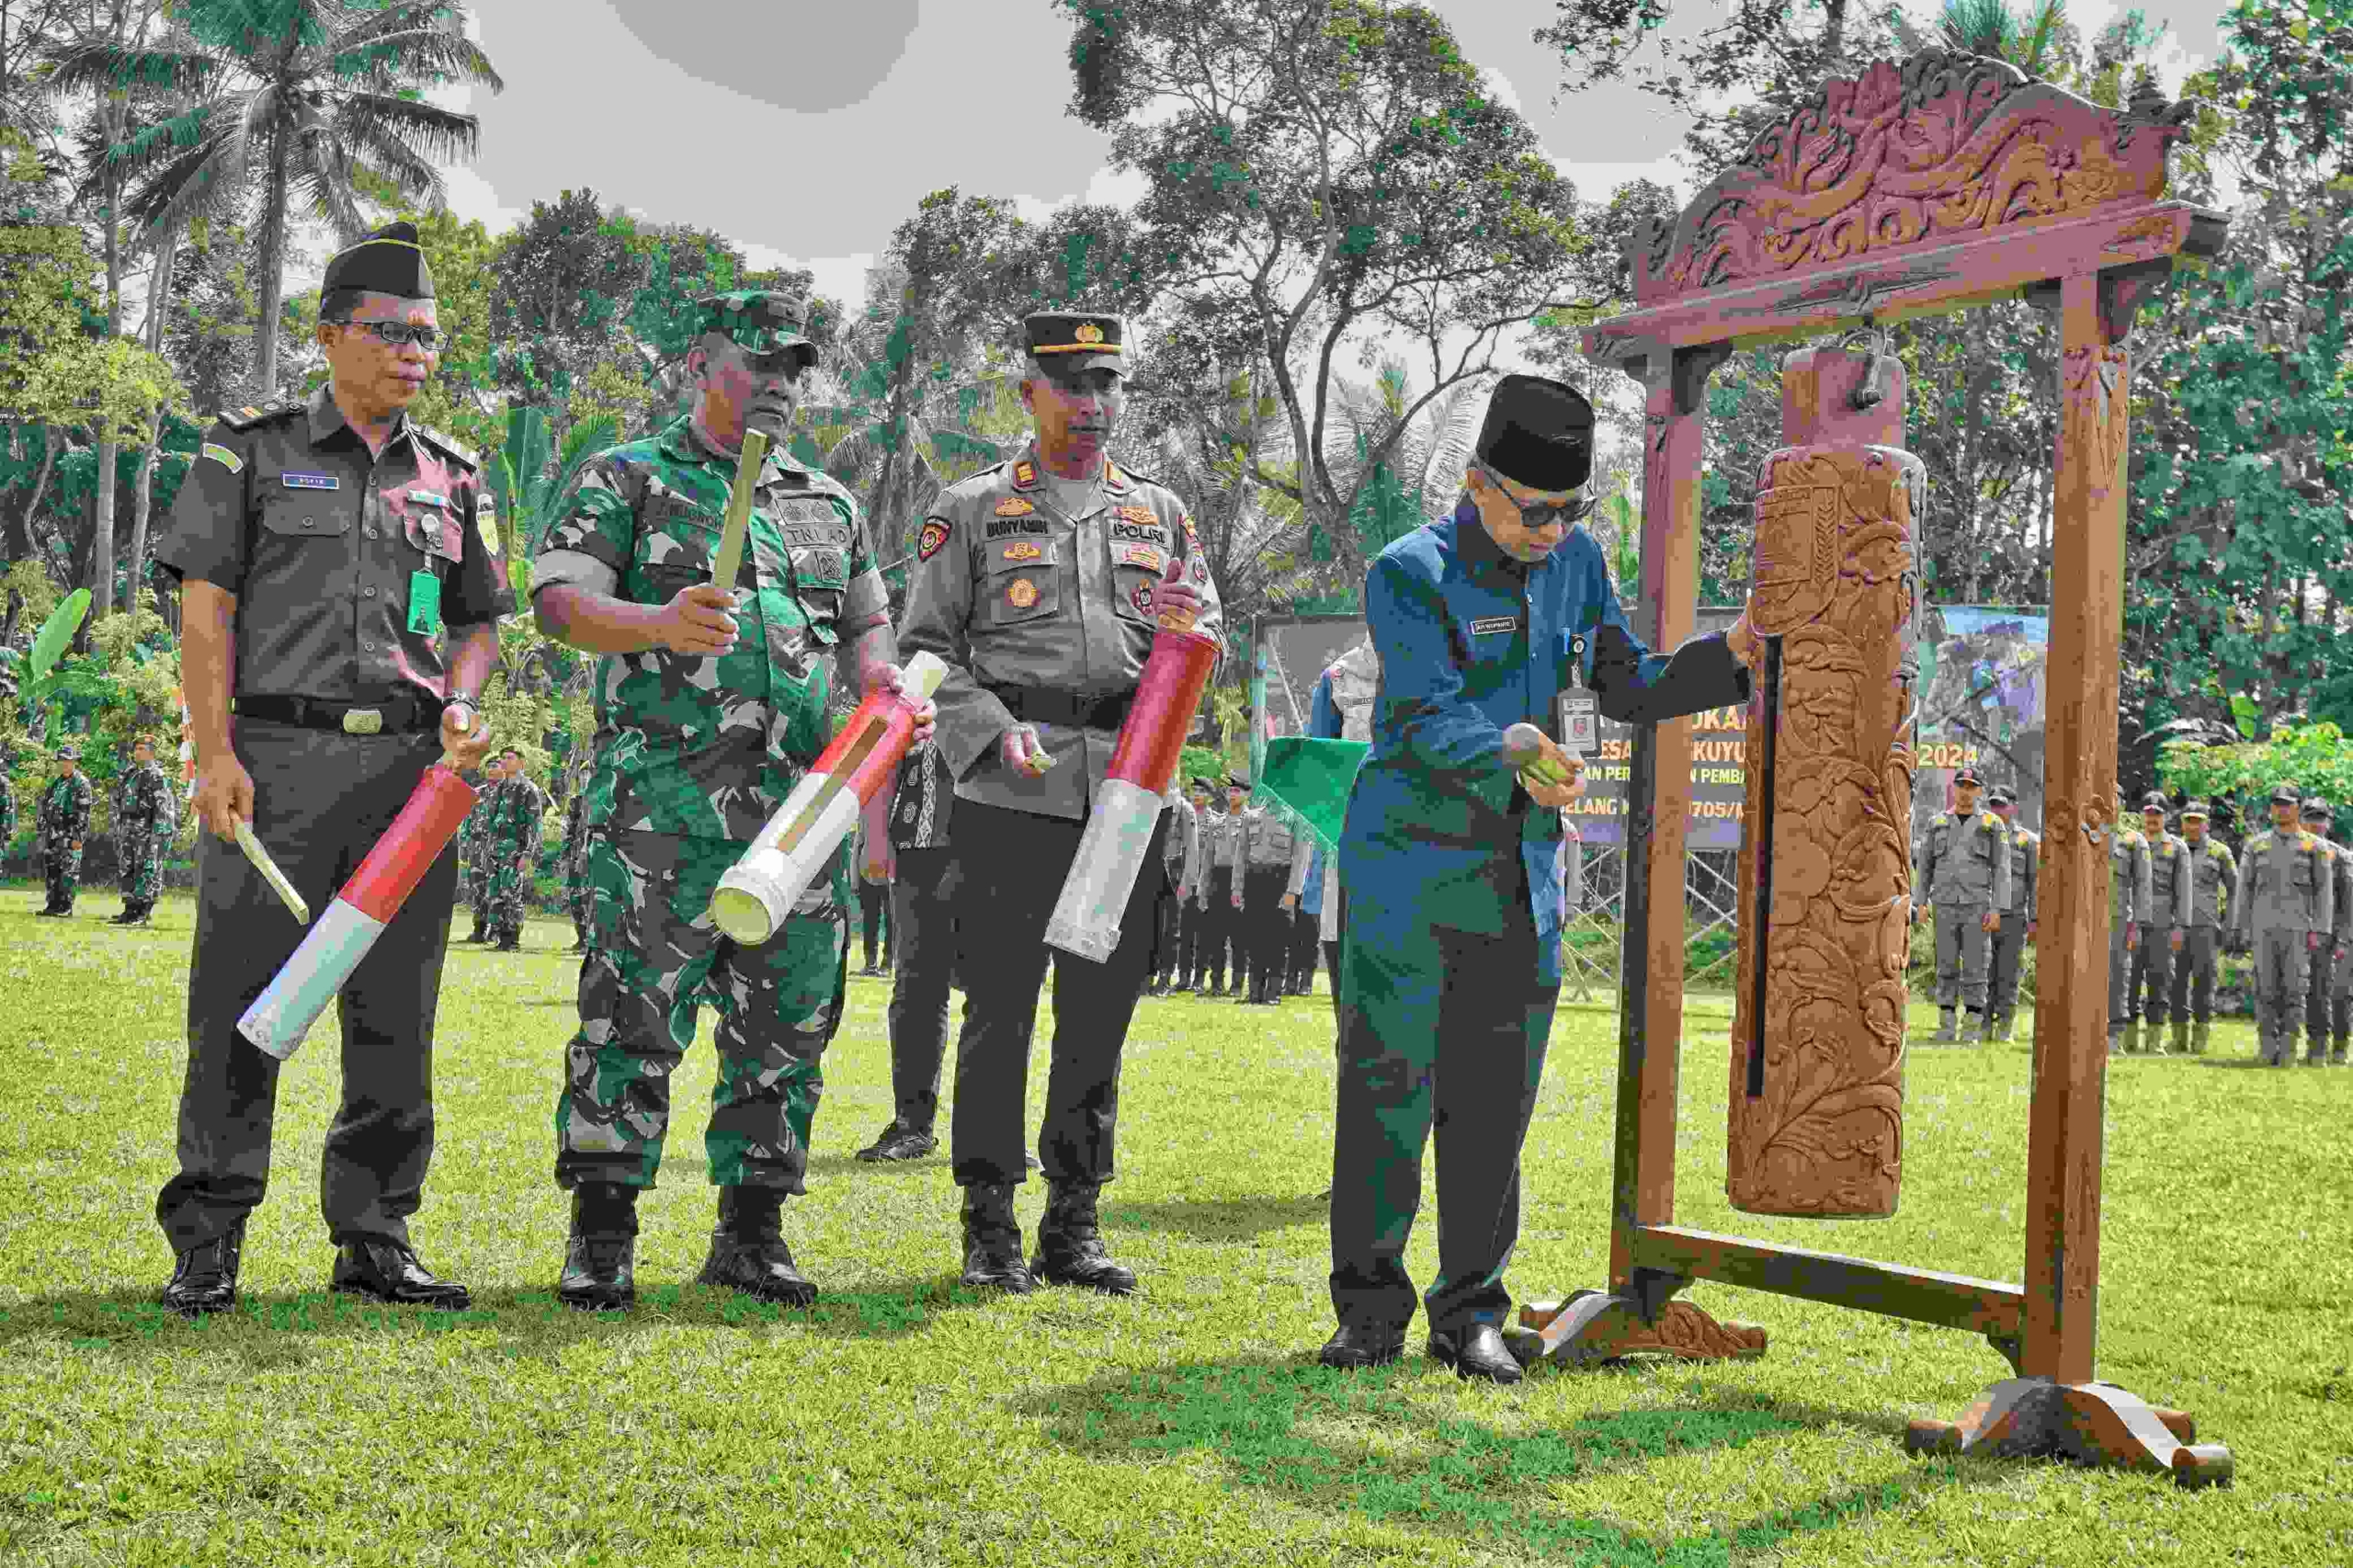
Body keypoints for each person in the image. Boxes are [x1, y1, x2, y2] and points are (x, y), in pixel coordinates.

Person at [1323, 373, 1760, 1381]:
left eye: (1571, 510)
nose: (1554, 530)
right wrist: (1515, 745)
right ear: (1477, 483)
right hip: (1409, 868)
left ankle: (1470, 1310)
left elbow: (1627, 680)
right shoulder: (1409, 570)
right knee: (1388, 1088)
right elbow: (1426, 715)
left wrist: (1728, 656)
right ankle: (1370, 1308)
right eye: (1535, 510)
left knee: (1492, 1101)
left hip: (1522, 874)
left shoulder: (1578, 567)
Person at [530, 289, 933, 1312]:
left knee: (787, 1021)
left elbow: (861, 639)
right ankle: (604, 1233)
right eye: (759, 363)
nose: (780, 386)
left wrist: (886, 697)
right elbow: (560, 605)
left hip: (795, 816)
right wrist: (657, 618)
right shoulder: (629, 475)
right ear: (703, 359)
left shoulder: (828, 505)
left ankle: (752, 1231)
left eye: (795, 369)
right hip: (658, 809)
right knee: (630, 1014)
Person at [151, 220, 506, 1317]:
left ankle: (374, 1233)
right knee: (241, 1001)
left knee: (396, 1009)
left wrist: (461, 701)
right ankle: (209, 1235)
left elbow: (479, 620)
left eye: (430, 338)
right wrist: (214, 752)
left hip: (408, 774)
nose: (414, 353)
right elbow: (203, 609)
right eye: (392, 333)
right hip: (276, 762)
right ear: (331, 335)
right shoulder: (248, 449)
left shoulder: (453, 473)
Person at [897, 310, 1223, 1296]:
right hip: (1010, 790)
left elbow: (1205, 640)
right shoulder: (970, 507)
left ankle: (1072, 1223)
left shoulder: (1161, 513)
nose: (1092, 404)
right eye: (1072, 384)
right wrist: (988, 727)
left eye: (1107, 384)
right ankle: (988, 1219)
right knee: (999, 1007)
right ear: (1029, 393)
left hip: (1125, 793)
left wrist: (1194, 637)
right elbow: (926, 651)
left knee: (1098, 1015)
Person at [858, 736, 956, 1162]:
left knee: (1003, 991)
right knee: (917, 987)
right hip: (920, 837)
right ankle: (912, 1125)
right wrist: (875, 834)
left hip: (1003, 837)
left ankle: (1001, 1132)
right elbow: (885, 744)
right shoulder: (916, 671)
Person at [2228, 785, 2330, 1067]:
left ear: (2298, 807)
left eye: (2287, 804)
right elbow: (2244, 890)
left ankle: (2288, 1049)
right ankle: (2266, 1047)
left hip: (2298, 930)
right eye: (2277, 804)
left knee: (2295, 989)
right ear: (2271, 808)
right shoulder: (2255, 845)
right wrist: (2241, 927)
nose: (2281, 809)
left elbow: (2323, 891)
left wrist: (2320, 929)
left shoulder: (2314, 846)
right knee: (2265, 989)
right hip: (2263, 929)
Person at [1911, 767, 2012, 1044]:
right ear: (1953, 788)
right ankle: (1945, 1027)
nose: (1966, 791)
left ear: (1980, 790)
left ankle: (1970, 1030)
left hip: (1977, 906)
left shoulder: (1992, 825)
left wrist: (1997, 909)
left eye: (1971, 786)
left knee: (1976, 967)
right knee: (1945, 965)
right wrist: (1920, 903)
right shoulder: (1937, 823)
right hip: (1943, 903)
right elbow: (1925, 868)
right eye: (1961, 785)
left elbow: (2002, 869)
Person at [2167, 800, 2234, 1055]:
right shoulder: (2170, 848)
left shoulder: (2220, 852)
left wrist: (2229, 923)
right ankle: (2178, 1037)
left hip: (2206, 926)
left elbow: (2234, 889)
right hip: (2175, 926)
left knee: (2204, 982)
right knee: (2175, 981)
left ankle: (2201, 1037)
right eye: (2188, 820)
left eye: (2198, 820)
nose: (2193, 825)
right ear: (2182, 822)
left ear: (2207, 824)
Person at [2125, 791, 2187, 1053]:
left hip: (2163, 923)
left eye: (2158, 814)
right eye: (2149, 813)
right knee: (2128, 979)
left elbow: (2183, 891)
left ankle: (2154, 1040)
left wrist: (2181, 926)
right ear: (2142, 815)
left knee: (2159, 981)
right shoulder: (2127, 843)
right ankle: (2126, 1038)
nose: (2152, 818)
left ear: (2167, 816)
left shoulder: (2177, 847)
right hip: (2131, 922)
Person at [2298, 798, 2352, 1067]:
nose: (2316, 825)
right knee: (2303, 992)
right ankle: (2309, 1045)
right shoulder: (2293, 852)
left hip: (2329, 936)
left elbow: (2348, 903)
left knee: (2332, 992)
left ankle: (2335, 1046)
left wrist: (2343, 939)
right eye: (2311, 818)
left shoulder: (2341, 857)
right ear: (2301, 820)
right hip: (2296, 932)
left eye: (2321, 819)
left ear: (2328, 823)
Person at [1982, 783, 2038, 1043]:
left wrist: (2035, 918)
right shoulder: (1979, 835)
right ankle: (1982, 1025)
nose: (1997, 810)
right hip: (1982, 916)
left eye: (2002, 805)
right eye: (1993, 805)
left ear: (2013, 807)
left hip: (2014, 918)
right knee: (1982, 973)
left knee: (2009, 974)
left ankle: (2005, 1026)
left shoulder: (2027, 840)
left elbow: (2035, 881)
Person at [2098, 796, 2152, 1056]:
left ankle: (2114, 1035)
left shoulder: (2133, 840)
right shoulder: (2087, 833)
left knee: (2119, 975)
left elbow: (2143, 885)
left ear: (2120, 803)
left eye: (2115, 798)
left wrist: (2138, 925)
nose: (2111, 803)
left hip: (2120, 919)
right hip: (2086, 918)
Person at [109, 734, 177, 927]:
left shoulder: (156, 776)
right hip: (128, 830)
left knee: (147, 869)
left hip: (147, 831)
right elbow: (120, 802)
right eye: (136, 748)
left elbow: (163, 809)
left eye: (142, 749)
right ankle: (130, 909)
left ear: (151, 752)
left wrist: (159, 837)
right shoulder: (130, 774)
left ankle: (143, 911)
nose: (137, 752)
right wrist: (119, 828)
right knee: (128, 868)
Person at [485, 747, 547, 953]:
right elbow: (492, 821)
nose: (504, 761)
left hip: (515, 850)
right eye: (502, 757)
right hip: (496, 850)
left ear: (521, 762)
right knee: (496, 894)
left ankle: (512, 939)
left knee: (512, 894)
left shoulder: (528, 789)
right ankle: (501, 937)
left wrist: (528, 853)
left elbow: (534, 824)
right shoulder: (500, 788)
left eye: (509, 758)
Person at [1239, 788, 1297, 1005]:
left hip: (1280, 880)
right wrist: (1237, 888)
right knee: (1254, 938)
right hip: (1254, 880)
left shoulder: (1294, 818)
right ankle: (1255, 991)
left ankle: (1273, 992)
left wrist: (1292, 891)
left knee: (1278, 940)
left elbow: (1301, 858)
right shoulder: (1251, 816)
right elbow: (1241, 855)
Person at [1147, 778, 1197, 996]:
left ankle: (1165, 979)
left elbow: (1191, 849)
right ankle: (1146, 977)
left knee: (1171, 930)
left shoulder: (1184, 809)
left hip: (1174, 871)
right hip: (1151, 868)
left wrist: (1187, 882)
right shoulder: (1150, 802)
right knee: (1148, 928)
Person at [34, 744, 95, 917]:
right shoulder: (56, 784)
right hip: (53, 836)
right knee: (52, 871)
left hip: (70, 835)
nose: (64, 764)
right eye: (61, 761)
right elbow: (45, 809)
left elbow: (84, 813)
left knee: (68, 873)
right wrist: (42, 833)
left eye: (68, 761)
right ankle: (53, 905)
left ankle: (65, 906)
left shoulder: (81, 783)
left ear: (74, 762)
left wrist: (78, 837)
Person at [1172, 778, 1216, 993]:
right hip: (1185, 878)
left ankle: (1200, 977)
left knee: (1204, 932)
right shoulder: (1182, 816)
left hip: (1206, 882)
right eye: (1195, 790)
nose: (1197, 794)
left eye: (1202, 791)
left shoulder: (1214, 821)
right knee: (1185, 931)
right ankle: (1183, 976)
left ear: (1209, 796)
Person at [460, 751, 506, 942]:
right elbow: (466, 820)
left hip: (499, 849)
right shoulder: (476, 793)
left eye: (495, 765)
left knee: (497, 890)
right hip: (477, 849)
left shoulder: (509, 792)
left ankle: (496, 930)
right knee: (477, 888)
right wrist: (464, 843)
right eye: (488, 766)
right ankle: (478, 929)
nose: (491, 769)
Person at [851, 817, 893, 976]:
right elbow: (858, 844)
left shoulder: (894, 803)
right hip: (867, 871)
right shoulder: (866, 811)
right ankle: (870, 964)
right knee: (870, 920)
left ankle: (887, 964)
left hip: (889, 873)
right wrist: (855, 880)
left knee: (891, 920)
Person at [560, 765, 593, 954]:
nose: (585, 778)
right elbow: (569, 830)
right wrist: (565, 856)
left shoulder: (600, 798)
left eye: (589, 773)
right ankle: (581, 938)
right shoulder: (576, 800)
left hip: (592, 855)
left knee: (589, 897)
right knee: (575, 897)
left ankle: (590, 941)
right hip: (575, 856)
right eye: (582, 774)